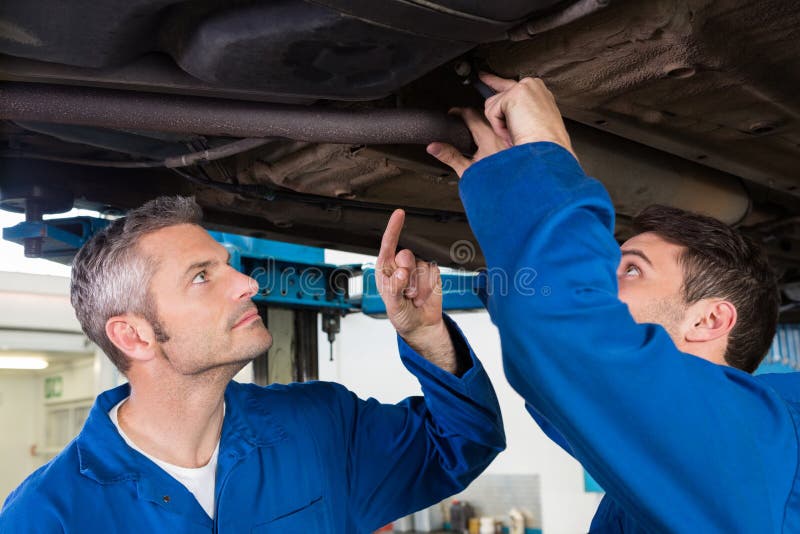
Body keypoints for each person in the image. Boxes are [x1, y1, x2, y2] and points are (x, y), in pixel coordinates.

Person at [426, 73, 798, 532]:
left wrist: (542, 160)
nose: (603, 280)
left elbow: (565, 339)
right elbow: (566, 378)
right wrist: (513, 190)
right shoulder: (664, 480)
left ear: (709, 319)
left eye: (632, 269)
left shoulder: (767, 451)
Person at [0, 197, 505, 532]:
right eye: (202, 276)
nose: (246, 284)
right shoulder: (46, 516)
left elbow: (460, 444)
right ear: (133, 335)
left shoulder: (319, 424)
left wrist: (425, 335)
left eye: (227, 265)